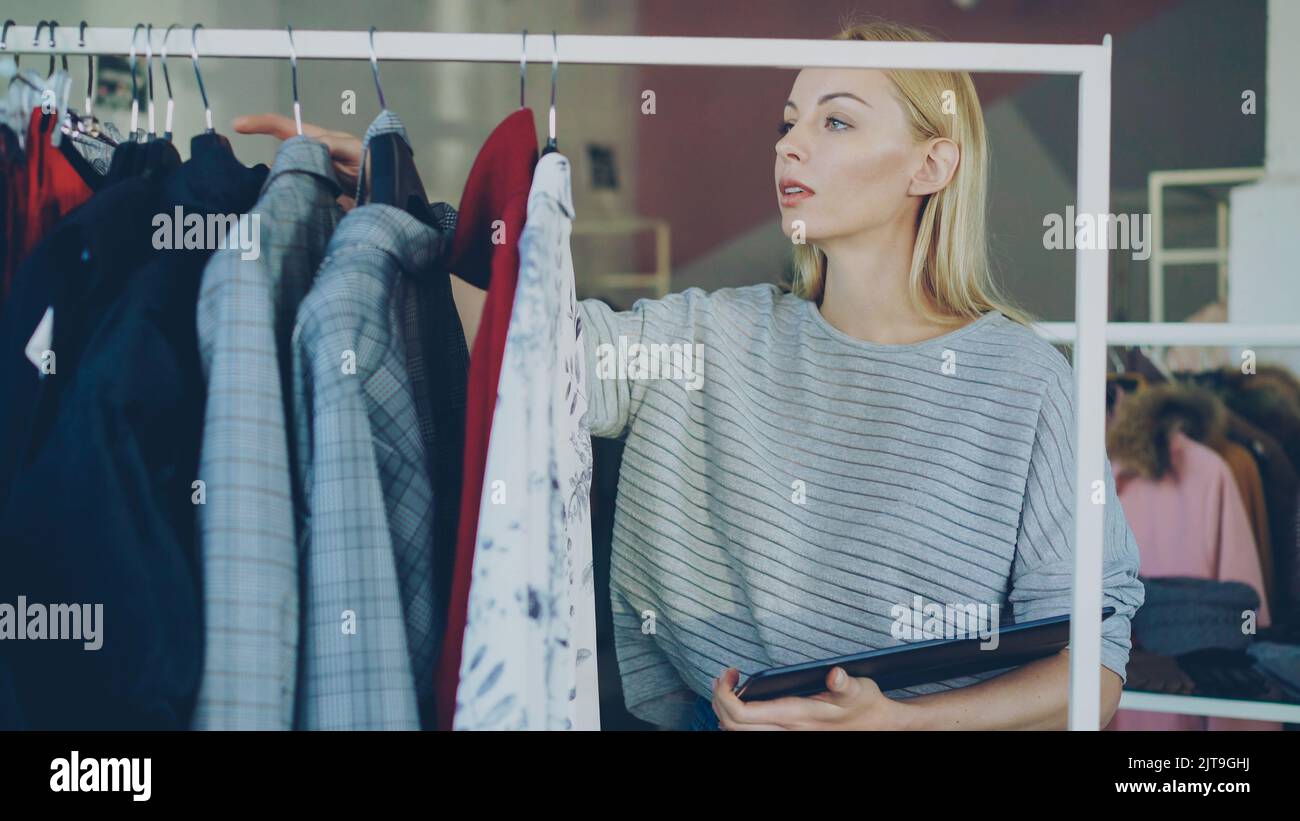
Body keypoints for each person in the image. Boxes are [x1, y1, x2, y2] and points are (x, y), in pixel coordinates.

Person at [234, 18, 1145, 731]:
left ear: (932, 162)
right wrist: (401, 207)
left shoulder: (1026, 380)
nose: (791, 146)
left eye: (835, 121)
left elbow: (1093, 676)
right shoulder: (714, 334)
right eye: (789, 122)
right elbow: (528, 355)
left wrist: (898, 722)